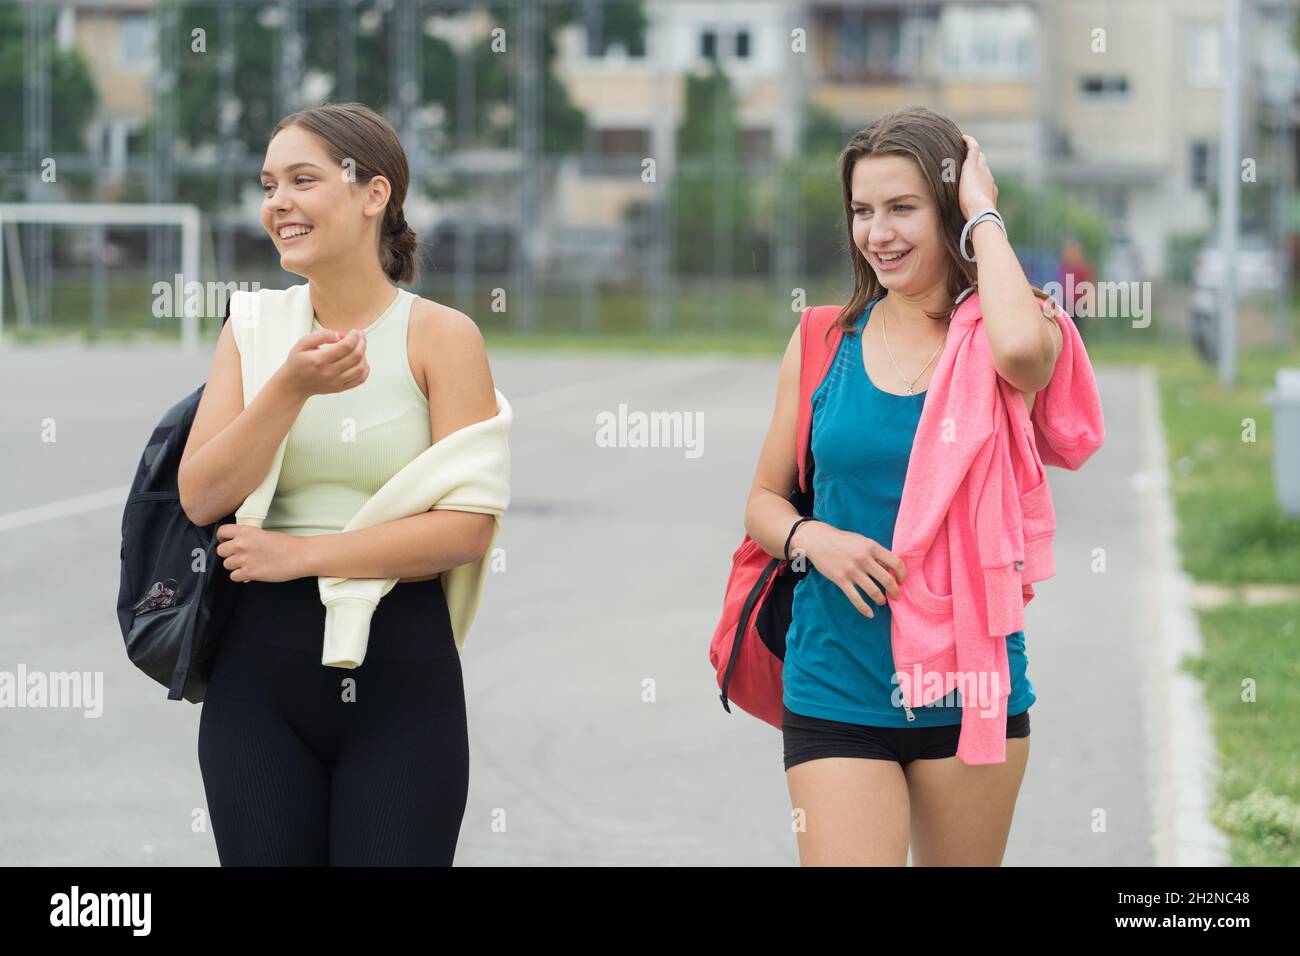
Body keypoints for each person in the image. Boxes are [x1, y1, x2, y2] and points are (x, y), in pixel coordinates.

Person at [178, 102, 501, 866]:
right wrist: (288, 387)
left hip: (400, 679)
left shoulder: (441, 336)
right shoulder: (252, 331)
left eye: (301, 180)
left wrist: (300, 555)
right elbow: (200, 495)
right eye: (267, 185)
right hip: (257, 683)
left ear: (373, 193)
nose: (277, 203)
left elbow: (465, 529)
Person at [743, 106, 1063, 866]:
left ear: (949, 210)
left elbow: (1024, 353)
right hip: (837, 683)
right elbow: (762, 501)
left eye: (902, 208)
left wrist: (983, 212)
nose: (877, 232)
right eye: (861, 210)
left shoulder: (1002, 328)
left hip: (971, 691)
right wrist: (813, 538)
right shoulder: (822, 337)